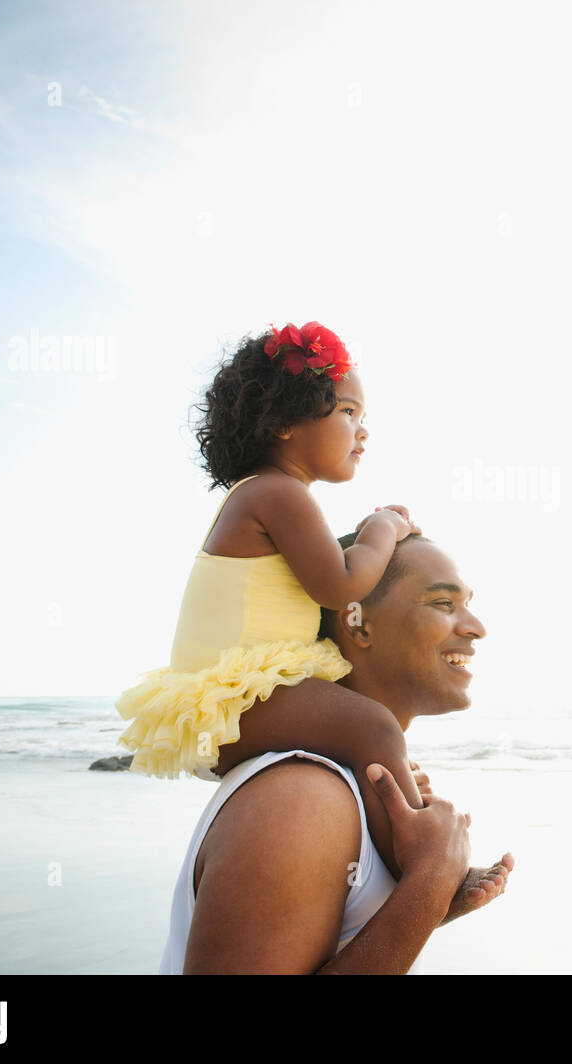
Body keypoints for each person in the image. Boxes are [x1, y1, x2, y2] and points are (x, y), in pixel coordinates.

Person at [114, 319, 444, 882]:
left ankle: (390, 812)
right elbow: (341, 585)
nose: (362, 432)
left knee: (365, 730)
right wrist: (383, 526)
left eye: (365, 418)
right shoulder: (277, 494)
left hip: (247, 695)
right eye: (347, 412)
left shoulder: (269, 496)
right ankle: (422, 873)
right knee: (376, 726)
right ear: (286, 420)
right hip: (238, 704)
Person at [159, 532, 513, 974]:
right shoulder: (303, 799)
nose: (476, 626)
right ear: (358, 623)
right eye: (444, 604)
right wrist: (432, 880)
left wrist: (423, 902)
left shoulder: (349, 789)